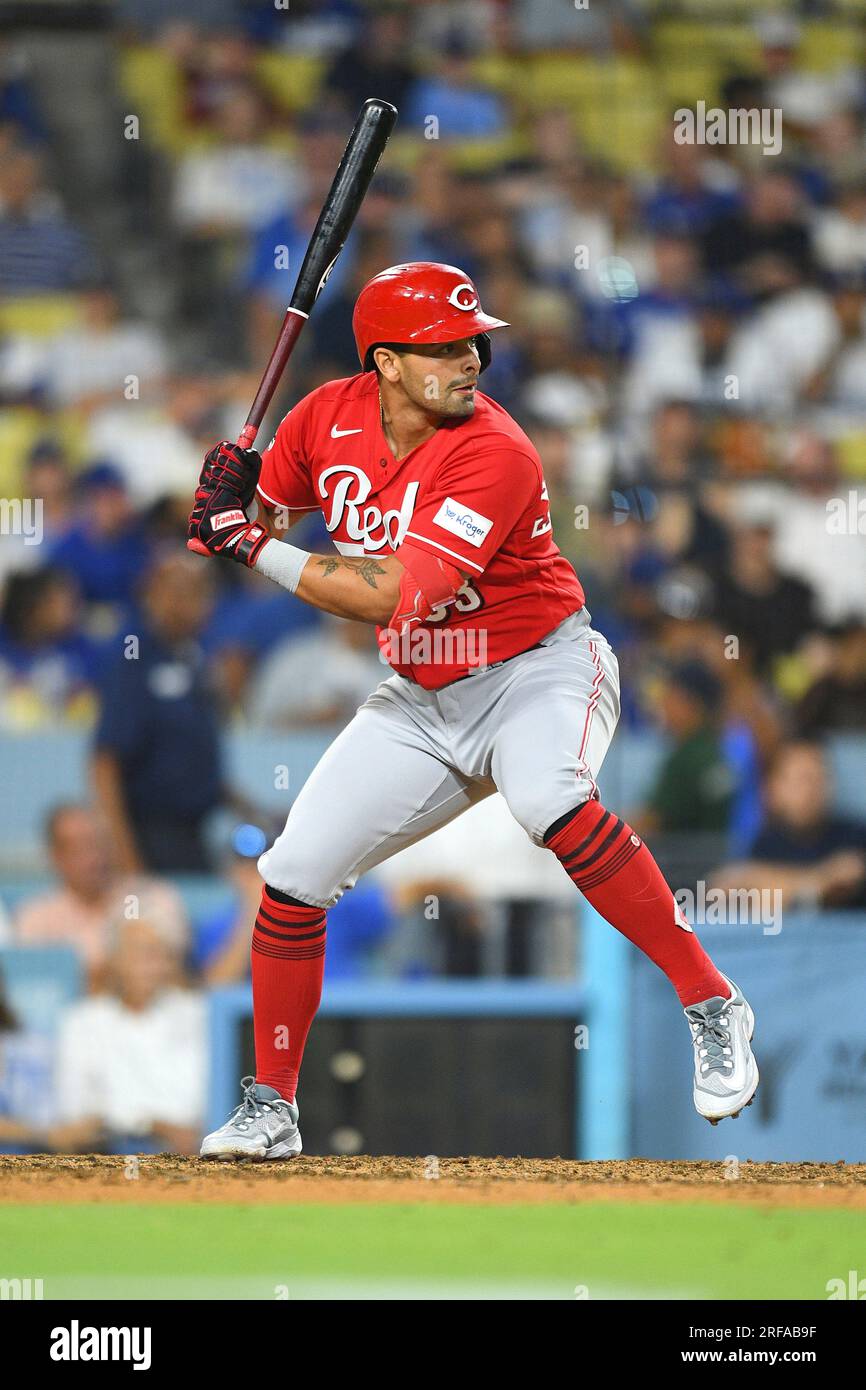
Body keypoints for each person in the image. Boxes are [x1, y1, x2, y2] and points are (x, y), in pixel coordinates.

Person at [188, 261, 758, 1158]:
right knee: (293, 873)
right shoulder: (322, 418)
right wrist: (231, 491)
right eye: (445, 345)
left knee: (548, 801)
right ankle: (272, 1107)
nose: (470, 358)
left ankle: (712, 1001)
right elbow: (261, 507)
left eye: (474, 342)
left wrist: (249, 544)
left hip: (539, 668)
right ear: (382, 360)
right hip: (420, 693)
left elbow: (389, 595)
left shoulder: (496, 449)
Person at [91, 549, 223, 873]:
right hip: (150, 835)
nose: (186, 603)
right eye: (176, 591)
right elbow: (105, 762)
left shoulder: (193, 658)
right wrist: (128, 859)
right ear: (151, 594)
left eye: (197, 592)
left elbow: (190, 751)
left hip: (194, 831)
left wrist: (247, 806)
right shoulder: (134, 657)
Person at [53, 913, 206, 1154]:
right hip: (107, 1154)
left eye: (160, 954)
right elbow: (77, 1113)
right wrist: (153, 1124)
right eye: (141, 954)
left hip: (188, 1153)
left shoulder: (198, 1015)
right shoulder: (82, 1022)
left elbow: (201, 1105)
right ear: (114, 961)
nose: (153, 965)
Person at [15, 803, 187, 988]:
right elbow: (35, 985)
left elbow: (170, 965)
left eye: (100, 843)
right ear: (56, 856)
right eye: (78, 848)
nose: (94, 857)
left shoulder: (140, 898)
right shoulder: (38, 915)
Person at [712, 741, 866, 911]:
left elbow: (846, 879)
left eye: (819, 778)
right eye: (801, 780)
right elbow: (730, 888)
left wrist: (768, 882)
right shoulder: (765, 843)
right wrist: (819, 880)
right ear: (775, 788)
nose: (810, 790)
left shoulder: (854, 836)